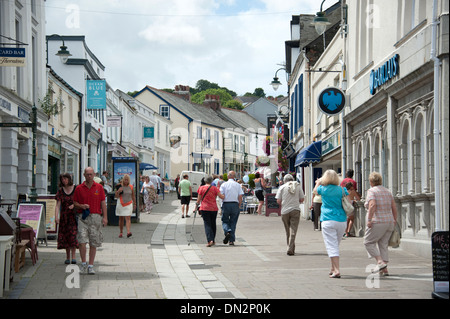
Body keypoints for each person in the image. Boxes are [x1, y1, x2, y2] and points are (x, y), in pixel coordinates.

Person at [313, 169, 348, 278]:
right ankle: (333, 268)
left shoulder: (323, 189)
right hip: (341, 220)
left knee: (331, 246)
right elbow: (347, 199)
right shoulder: (342, 190)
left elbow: (315, 191)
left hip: (328, 219)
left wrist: (318, 183)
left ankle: (337, 270)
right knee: (335, 245)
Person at [73, 167, 107, 275]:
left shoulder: (99, 187)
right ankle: (83, 263)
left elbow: (103, 203)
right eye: (87, 174)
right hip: (83, 217)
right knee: (82, 241)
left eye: (91, 174)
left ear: (94, 175)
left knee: (93, 242)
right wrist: (81, 206)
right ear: (84, 175)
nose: (89, 176)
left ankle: (91, 265)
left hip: (96, 216)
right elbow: (74, 203)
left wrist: (105, 217)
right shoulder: (79, 188)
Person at [364, 172, 397, 276]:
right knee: (383, 244)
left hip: (377, 221)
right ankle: (384, 269)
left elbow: (372, 205)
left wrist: (369, 219)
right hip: (389, 221)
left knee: (368, 242)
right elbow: (393, 206)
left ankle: (380, 261)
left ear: (371, 182)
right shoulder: (387, 191)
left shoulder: (372, 191)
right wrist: (394, 219)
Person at [276, 174, 305, 255]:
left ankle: (290, 247)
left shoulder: (281, 187)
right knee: (293, 230)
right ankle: (290, 248)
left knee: (287, 230)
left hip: (284, 211)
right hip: (295, 209)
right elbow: (302, 199)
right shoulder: (298, 186)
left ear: (285, 180)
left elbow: (278, 200)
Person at [55, 173, 78, 265]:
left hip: (73, 216)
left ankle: (74, 256)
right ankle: (67, 256)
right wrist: (56, 216)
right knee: (65, 237)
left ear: (69, 179)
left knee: (73, 236)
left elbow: (80, 200)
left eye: (65, 179)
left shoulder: (76, 189)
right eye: (62, 179)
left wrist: (74, 205)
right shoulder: (61, 191)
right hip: (64, 217)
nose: (64, 181)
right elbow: (57, 205)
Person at [196, 175, 225, 247]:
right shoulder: (215, 188)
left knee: (207, 224)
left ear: (205, 181)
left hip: (204, 208)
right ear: (212, 181)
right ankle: (213, 240)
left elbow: (198, 200)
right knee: (213, 223)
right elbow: (221, 196)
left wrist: (195, 207)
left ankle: (210, 240)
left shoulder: (201, 188)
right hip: (213, 208)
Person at [220, 171, 244, 246]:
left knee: (225, 220)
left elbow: (221, 196)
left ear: (228, 176)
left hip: (226, 204)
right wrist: (239, 204)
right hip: (235, 204)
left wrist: (221, 205)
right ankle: (231, 240)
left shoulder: (224, 185)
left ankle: (227, 231)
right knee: (233, 222)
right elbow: (240, 196)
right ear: (234, 177)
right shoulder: (237, 185)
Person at [115, 174, 136, 238]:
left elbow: (133, 195)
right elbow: (116, 196)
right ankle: (121, 232)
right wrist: (118, 191)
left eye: (127, 180)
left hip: (129, 203)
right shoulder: (119, 186)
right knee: (121, 218)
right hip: (121, 203)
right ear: (123, 180)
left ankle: (128, 232)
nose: (126, 181)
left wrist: (135, 204)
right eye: (125, 180)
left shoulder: (131, 187)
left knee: (128, 217)